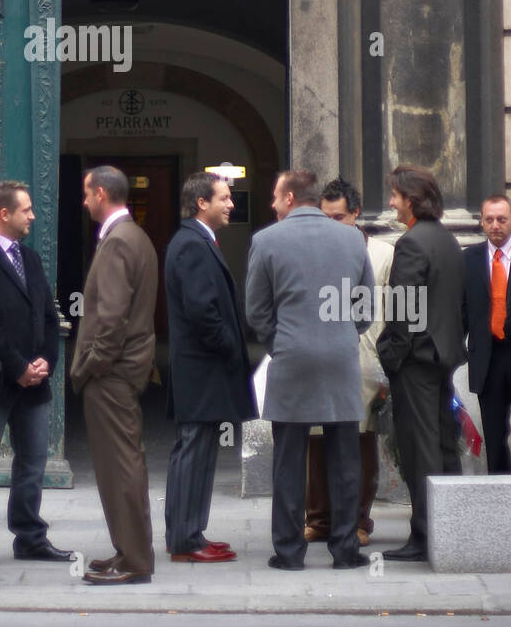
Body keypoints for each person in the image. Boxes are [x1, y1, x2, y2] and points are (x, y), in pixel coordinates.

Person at [245, 169, 374, 571]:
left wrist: (279, 343)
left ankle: (288, 552)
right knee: (344, 457)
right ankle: (345, 550)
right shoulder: (352, 238)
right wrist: (340, 335)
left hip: (291, 356)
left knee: (288, 458)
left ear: (288, 198)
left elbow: (256, 310)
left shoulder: (265, 240)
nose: (271, 203)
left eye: (273, 195)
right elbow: (365, 307)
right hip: (339, 357)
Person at [0, 181, 72, 562]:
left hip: (36, 383)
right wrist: (16, 367)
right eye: (27, 209)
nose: (33, 216)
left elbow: (48, 316)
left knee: (33, 463)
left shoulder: (29, 258)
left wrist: (47, 359)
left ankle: (30, 537)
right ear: (5, 213)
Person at [71, 165, 158, 586]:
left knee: (120, 465)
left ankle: (136, 560)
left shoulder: (119, 242)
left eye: (87, 194)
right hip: (122, 370)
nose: (84, 201)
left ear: (101, 194)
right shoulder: (133, 237)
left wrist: (90, 367)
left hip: (113, 374)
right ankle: (129, 551)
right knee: (120, 464)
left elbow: (111, 320)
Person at [164, 171, 256, 563]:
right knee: (193, 452)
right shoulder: (190, 244)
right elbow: (201, 311)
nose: (231, 204)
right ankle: (185, 540)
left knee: (200, 453)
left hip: (204, 370)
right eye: (224, 198)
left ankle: (191, 533)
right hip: (201, 370)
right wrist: (232, 348)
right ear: (202, 202)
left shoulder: (199, 240)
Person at [377, 165, 466, 561]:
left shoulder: (412, 243)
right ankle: (450, 528)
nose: (392, 203)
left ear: (410, 200)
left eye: (395, 196)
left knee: (420, 447)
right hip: (442, 354)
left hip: (416, 359)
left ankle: (427, 535)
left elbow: (403, 310)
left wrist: (391, 354)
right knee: (444, 444)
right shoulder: (447, 239)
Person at [307, 176, 395, 546]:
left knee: (360, 442)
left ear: (356, 214)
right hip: (319, 359)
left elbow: (392, 312)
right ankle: (320, 519)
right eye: (324, 217)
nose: (331, 225)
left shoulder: (383, 255)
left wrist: (385, 367)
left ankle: (359, 520)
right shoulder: (310, 250)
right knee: (316, 441)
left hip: (364, 359)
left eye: (339, 217)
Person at [463, 195, 511, 474]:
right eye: (490, 219)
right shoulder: (468, 258)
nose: (495, 225)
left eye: (502, 219)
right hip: (487, 359)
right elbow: (461, 309)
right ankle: (500, 493)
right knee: (493, 435)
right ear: (481, 221)